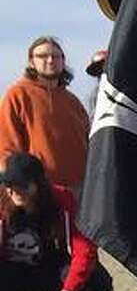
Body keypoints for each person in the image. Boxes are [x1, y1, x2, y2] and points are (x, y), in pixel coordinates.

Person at [0, 152, 111, 291]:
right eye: (10, 186)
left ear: (38, 184)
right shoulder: (3, 202)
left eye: (22, 186)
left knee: (98, 279)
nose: (14, 192)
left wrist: (70, 289)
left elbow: (84, 248)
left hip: (50, 268)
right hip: (12, 271)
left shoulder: (61, 199)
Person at [0, 37, 90, 194]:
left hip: (79, 191)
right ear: (31, 62)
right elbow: (6, 148)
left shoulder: (73, 102)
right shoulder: (17, 95)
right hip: (37, 190)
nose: (50, 60)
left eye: (56, 56)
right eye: (42, 56)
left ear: (63, 61)